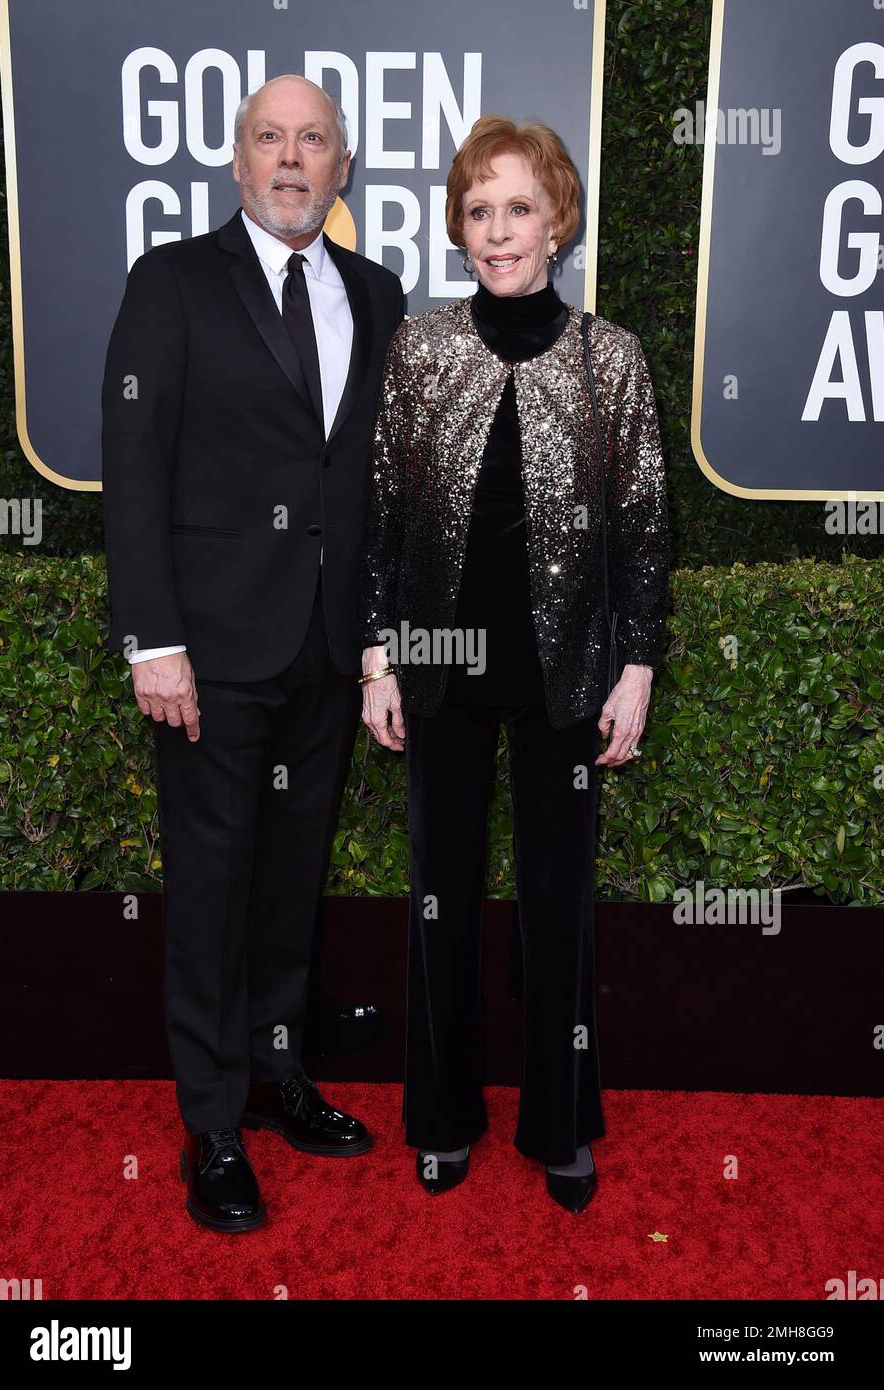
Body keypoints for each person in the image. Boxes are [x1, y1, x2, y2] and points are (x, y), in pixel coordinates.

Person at [102, 75, 405, 1232]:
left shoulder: (376, 295)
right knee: (213, 883)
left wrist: (377, 648)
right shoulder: (172, 282)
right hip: (210, 652)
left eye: (313, 141)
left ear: (341, 167)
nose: (292, 158)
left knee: (291, 879)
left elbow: (380, 489)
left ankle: (278, 1072)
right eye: (270, 139)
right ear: (237, 162)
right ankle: (213, 1120)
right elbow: (132, 465)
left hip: (325, 649)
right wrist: (155, 639)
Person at [357, 115, 669, 1213]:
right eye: (478, 210)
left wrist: (635, 667)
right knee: (438, 893)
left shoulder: (610, 358)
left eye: (518, 207)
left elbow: (640, 529)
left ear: (558, 221)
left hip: (562, 673)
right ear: (459, 227)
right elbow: (382, 517)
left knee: (555, 901)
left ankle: (559, 1120)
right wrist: (375, 655)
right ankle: (441, 1114)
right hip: (437, 667)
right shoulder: (422, 348)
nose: (498, 230)